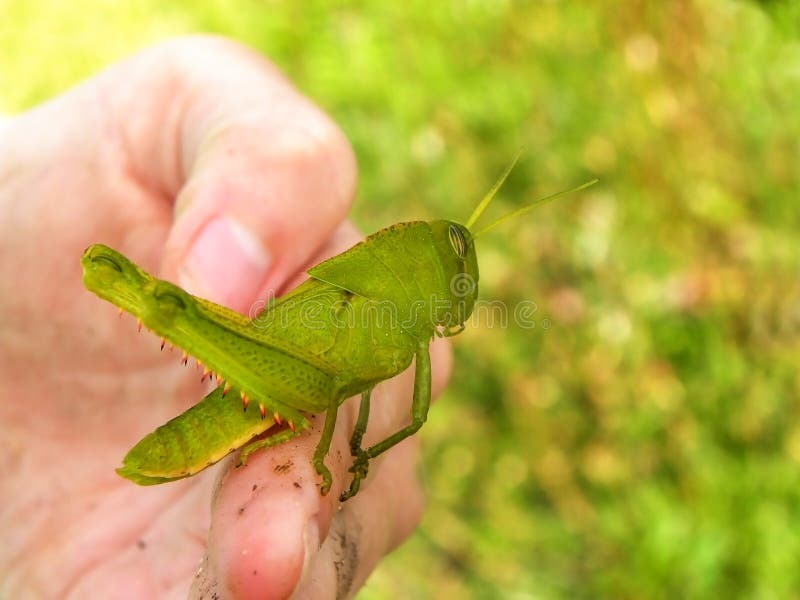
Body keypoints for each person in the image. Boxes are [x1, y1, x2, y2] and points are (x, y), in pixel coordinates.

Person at [0, 35, 451, 599]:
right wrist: (330, 452)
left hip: (289, 379)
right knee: (319, 387)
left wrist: (356, 452)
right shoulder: (374, 302)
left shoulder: (393, 324)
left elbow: (390, 411)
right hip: (276, 376)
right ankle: (154, 301)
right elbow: (339, 391)